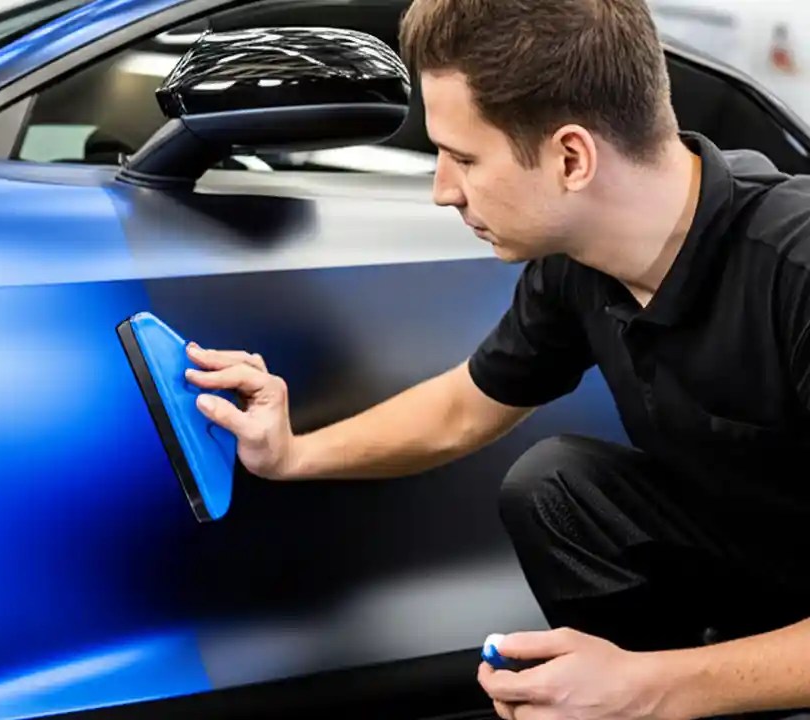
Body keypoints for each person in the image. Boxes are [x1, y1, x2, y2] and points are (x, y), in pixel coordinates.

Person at [183, 0, 810, 719]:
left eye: (463, 157)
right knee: (558, 486)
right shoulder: (580, 266)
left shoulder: (797, 270)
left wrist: (649, 686)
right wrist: (292, 452)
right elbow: (461, 408)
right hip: (767, 579)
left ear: (571, 158)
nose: (443, 188)